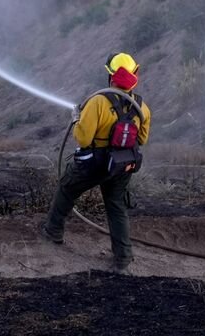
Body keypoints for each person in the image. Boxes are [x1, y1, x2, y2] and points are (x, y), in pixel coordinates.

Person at [42, 51, 152, 273]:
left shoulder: (98, 102)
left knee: (67, 188)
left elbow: (83, 138)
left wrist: (77, 119)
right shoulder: (142, 108)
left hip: (94, 163)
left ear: (110, 77)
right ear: (134, 74)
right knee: (116, 205)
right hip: (122, 165)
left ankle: (53, 232)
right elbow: (142, 139)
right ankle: (123, 257)